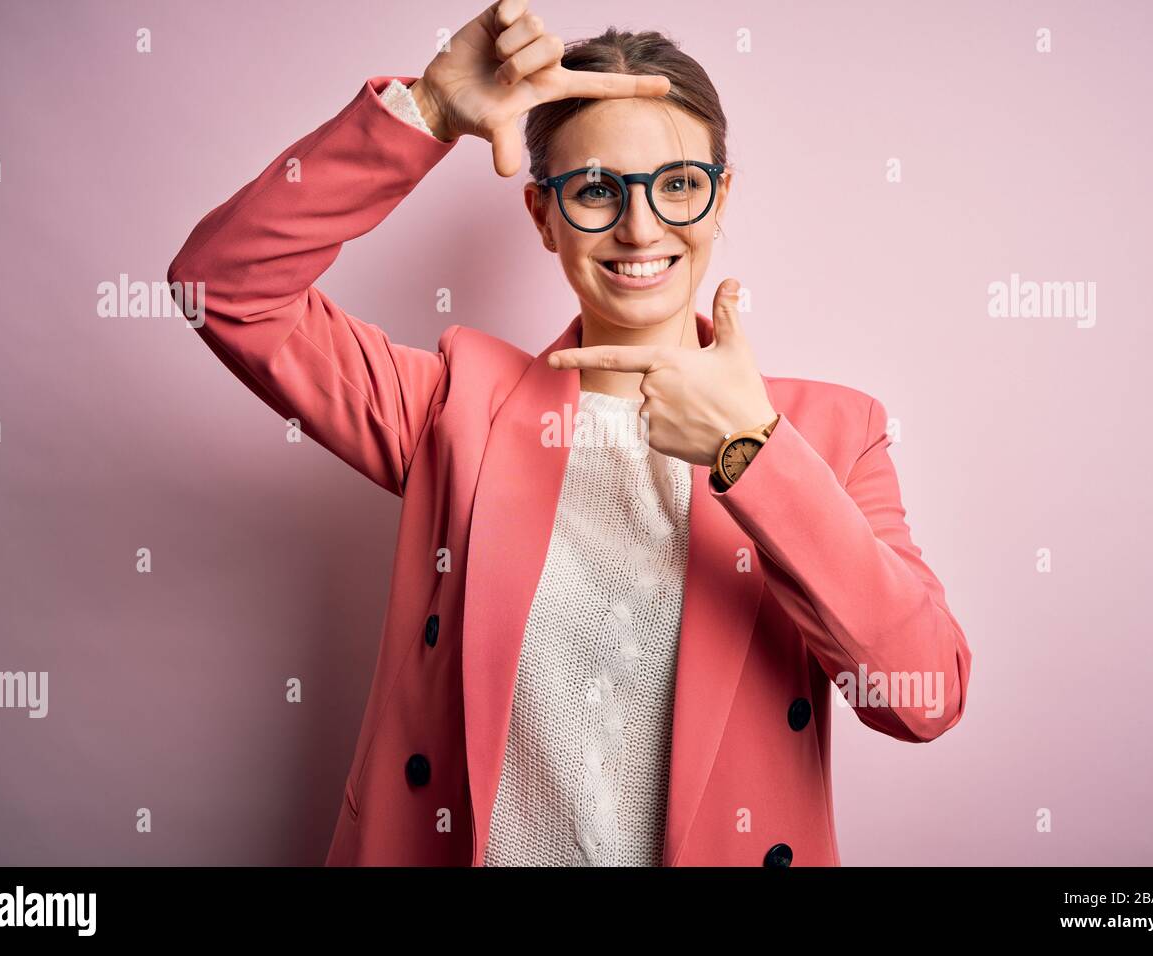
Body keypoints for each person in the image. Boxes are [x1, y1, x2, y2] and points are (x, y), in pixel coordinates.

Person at [167, 0, 972, 867]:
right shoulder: (456, 408)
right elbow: (223, 287)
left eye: (677, 183)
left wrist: (752, 448)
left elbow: (920, 698)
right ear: (542, 216)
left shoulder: (830, 431)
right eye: (595, 190)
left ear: (720, 195)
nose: (640, 225)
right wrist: (427, 114)